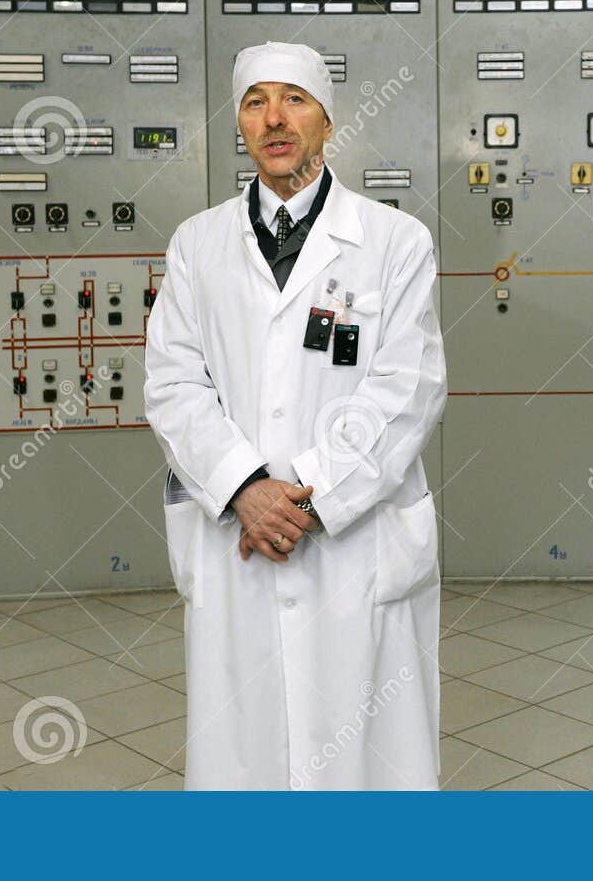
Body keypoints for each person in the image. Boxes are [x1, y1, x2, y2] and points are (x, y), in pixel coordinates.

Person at [144, 40, 446, 789]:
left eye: (294, 99)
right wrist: (246, 489)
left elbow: (408, 386)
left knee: (366, 761)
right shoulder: (197, 245)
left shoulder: (394, 242)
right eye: (256, 102)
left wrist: (308, 498)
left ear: (326, 121)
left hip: (353, 540)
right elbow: (174, 382)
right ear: (240, 124)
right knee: (243, 754)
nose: (274, 118)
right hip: (239, 538)